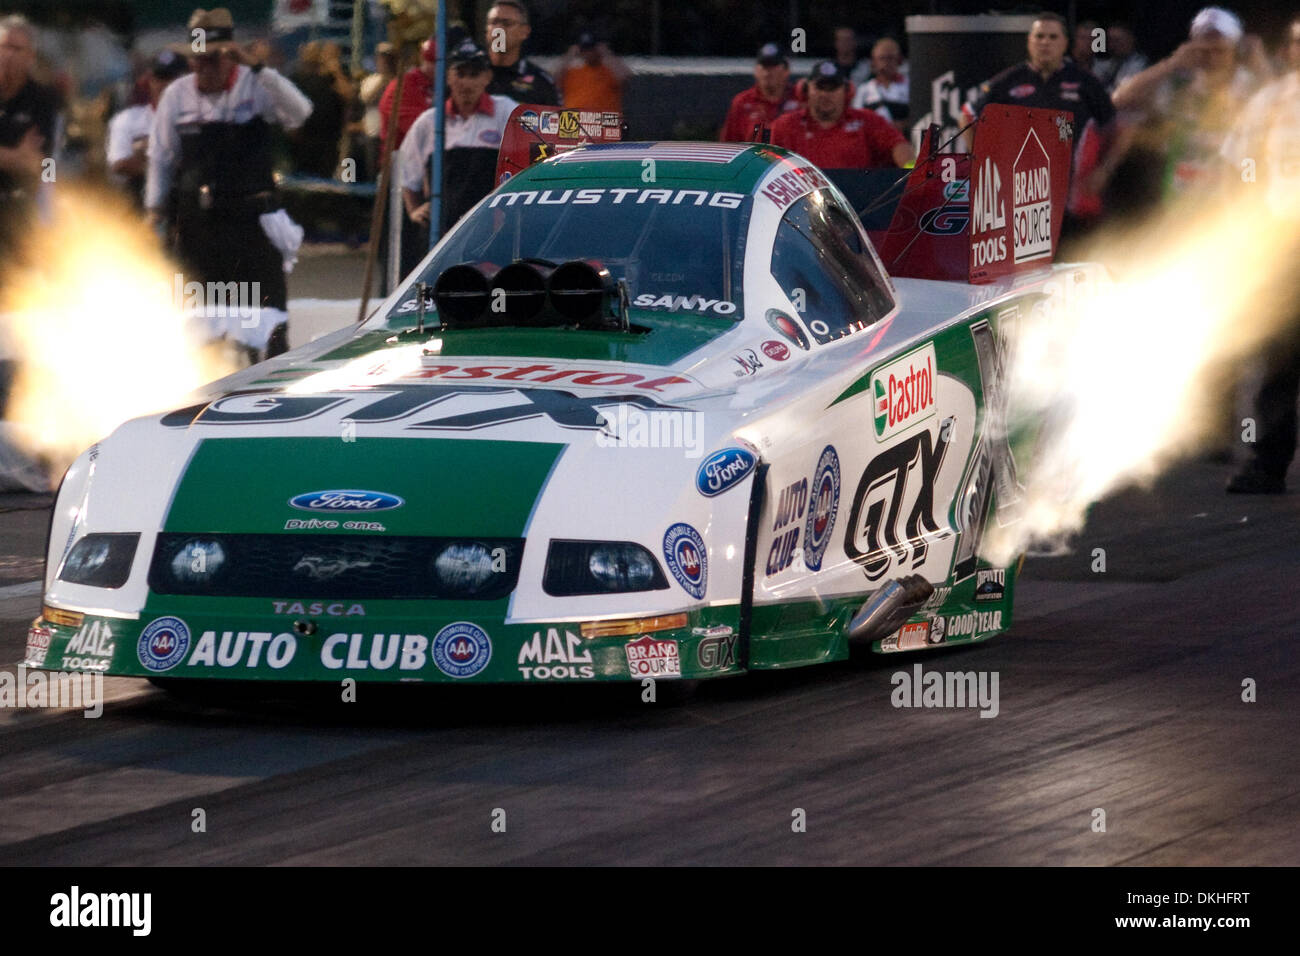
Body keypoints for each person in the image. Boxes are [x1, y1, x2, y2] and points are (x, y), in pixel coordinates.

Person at [146, 7, 312, 362]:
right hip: (200, 227)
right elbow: (161, 157)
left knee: (267, 323)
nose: (204, 68)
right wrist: (153, 212)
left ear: (230, 57)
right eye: (198, 60)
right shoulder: (177, 95)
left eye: (214, 59)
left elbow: (300, 113)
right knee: (199, 323)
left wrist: (258, 67)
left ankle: (269, 392)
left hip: (252, 223)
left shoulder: (256, 84)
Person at [1222, 16, 1300, 493]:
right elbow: (1237, 164)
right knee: (1276, 360)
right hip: (1280, 244)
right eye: (1295, 43)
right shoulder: (1270, 101)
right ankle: (1267, 465)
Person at [1112, 7, 1261, 203]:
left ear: (1235, 49)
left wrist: (1260, 62)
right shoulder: (1179, 84)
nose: (1212, 58)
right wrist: (1172, 64)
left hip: (1230, 200)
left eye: (1220, 50)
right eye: (1204, 51)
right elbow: (1119, 99)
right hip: (1181, 198)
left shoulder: (1249, 86)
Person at [400, 42, 514, 275]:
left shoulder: (506, 111)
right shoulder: (429, 122)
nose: (466, 83)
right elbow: (407, 175)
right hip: (441, 232)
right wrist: (414, 210)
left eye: (474, 75)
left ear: (487, 77)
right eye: (460, 74)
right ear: (448, 77)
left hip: (491, 229)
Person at [769, 60, 912, 169]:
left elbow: (898, 145)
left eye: (833, 88)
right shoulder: (785, 126)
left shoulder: (868, 121)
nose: (825, 94)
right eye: (820, 87)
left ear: (847, 91)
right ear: (806, 90)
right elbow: (766, 166)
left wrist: (911, 171)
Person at [0, 14, 58, 260]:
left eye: (16, 49)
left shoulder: (42, 101)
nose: (8, 55)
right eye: (3, 47)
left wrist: (48, 212)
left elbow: (43, 163)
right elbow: (23, 158)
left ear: (30, 57)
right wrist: (15, 156)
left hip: (19, 206)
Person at [106, 50, 188, 208]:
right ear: (150, 81)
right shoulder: (128, 119)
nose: (166, 85)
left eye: (173, 79)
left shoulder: (199, 116)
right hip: (141, 201)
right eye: (160, 78)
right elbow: (120, 164)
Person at [289, 40, 351, 178]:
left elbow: (349, 96)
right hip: (304, 139)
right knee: (302, 176)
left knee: (328, 177)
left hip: (329, 140)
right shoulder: (297, 78)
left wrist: (335, 71)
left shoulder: (333, 77)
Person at [719, 42, 799, 143]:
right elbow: (729, 142)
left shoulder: (799, 98)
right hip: (754, 157)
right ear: (756, 70)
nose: (767, 73)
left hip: (790, 157)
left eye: (773, 66)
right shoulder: (743, 102)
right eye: (764, 66)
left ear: (786, 70)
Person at [485, 1, 558, 105]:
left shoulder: (541, 82)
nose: (499, 29)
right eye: (494, 22)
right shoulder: (468, 73)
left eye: (507, 23)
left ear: (525, 32)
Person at [378, 36, 438, 151]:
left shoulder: (441, 86)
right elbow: (422, 131)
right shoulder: (403, 86)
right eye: (431, 62)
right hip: (402, 158)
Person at [557, 32, 629, 112]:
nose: (588, 53)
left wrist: (606, 53)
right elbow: (553, 81)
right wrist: (569, 55)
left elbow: (626, 79)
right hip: (574, 120)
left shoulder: (610, 71)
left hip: (603, 120)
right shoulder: (573, 72)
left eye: (591, 49)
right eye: (584, 49)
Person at [851, 37, 909, 131]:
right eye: (882, 58)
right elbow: (855, 119)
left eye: (890, 58)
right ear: (873, 62)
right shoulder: (864, 89)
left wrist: (904, 124)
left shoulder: (910, 86)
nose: (886, 63)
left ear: (899, 60)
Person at [1093, 24, 1148, 93]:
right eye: (1110, 40)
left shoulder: (1140, 65)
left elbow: (1123, 92)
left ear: (1130, 40)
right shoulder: (1111, 63)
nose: (1112, 45)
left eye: (1117, 40)